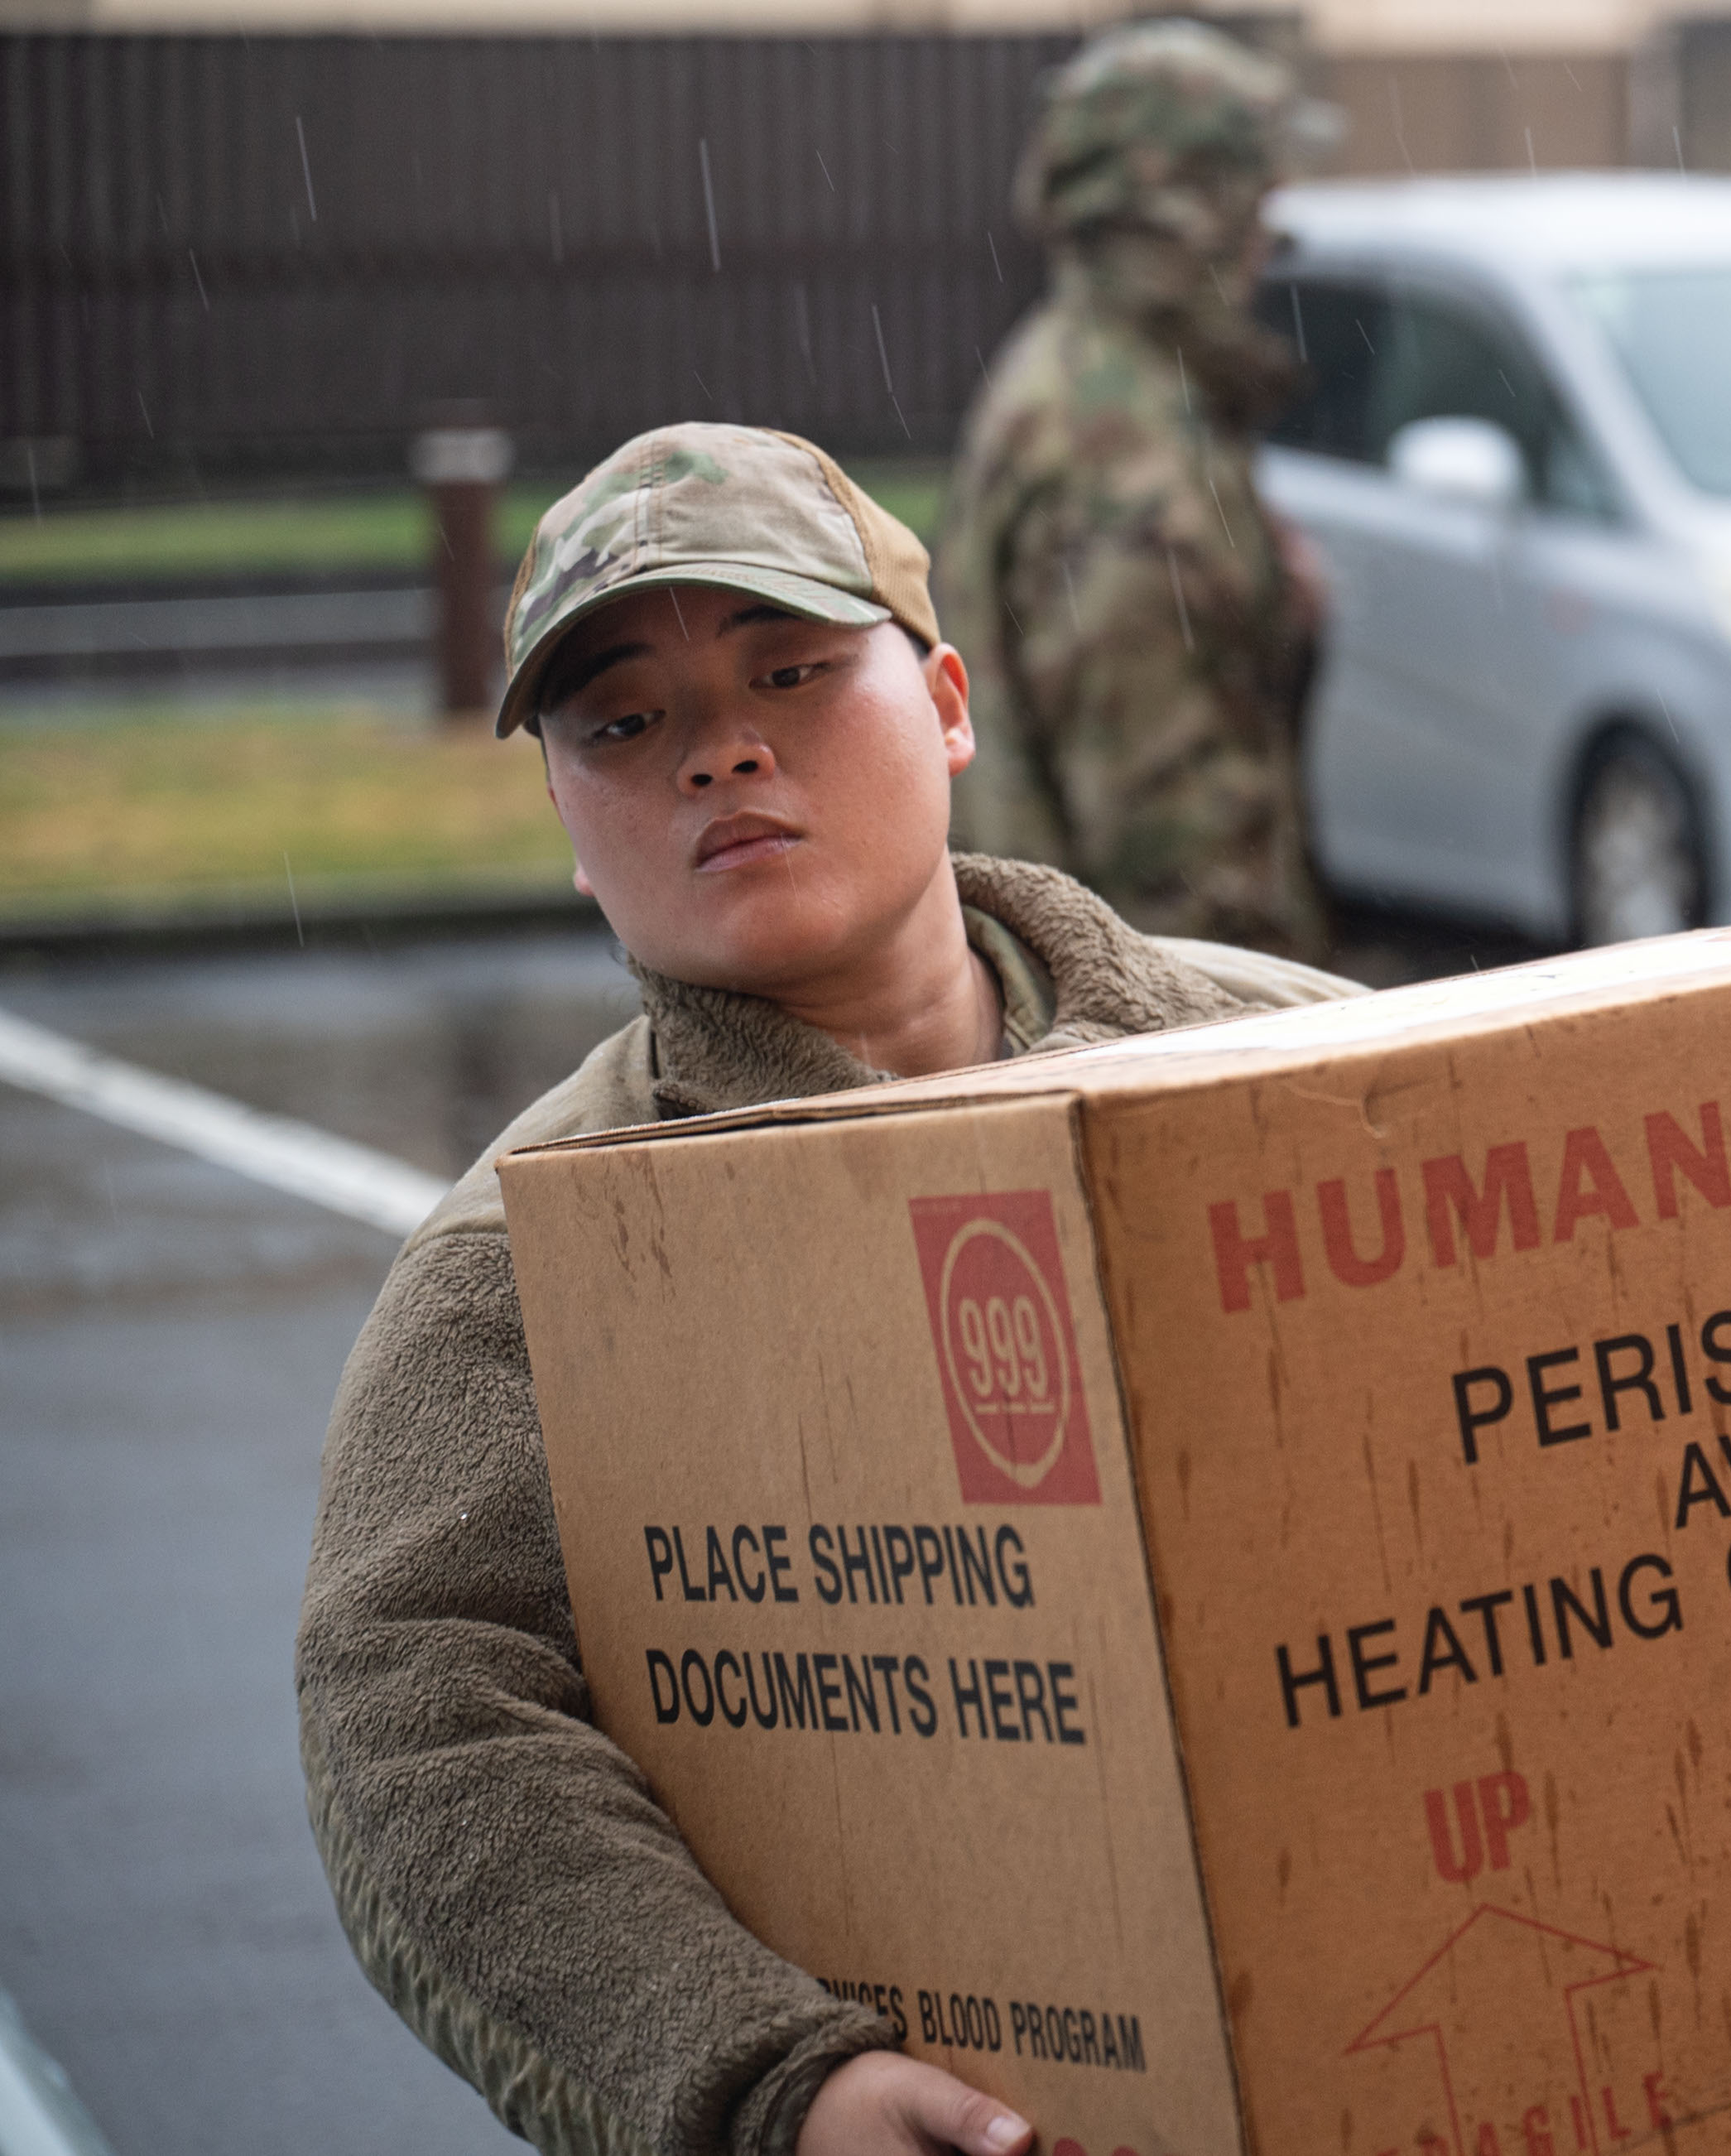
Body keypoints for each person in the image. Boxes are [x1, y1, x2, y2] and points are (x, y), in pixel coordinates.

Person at [295, 423, 1356, 2156]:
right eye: (622, 724)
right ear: (566, 818)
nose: (719, 750)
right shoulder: (530, 1268)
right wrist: (774, 2088)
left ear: (945, 703)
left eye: (789, 669)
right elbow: (423, 1726)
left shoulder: (1303, 1063)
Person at [940, 18, 1329, 960]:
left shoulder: (1071, 375)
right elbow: (1182, 871)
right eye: (1255, 199)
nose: (1269, 242)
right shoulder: (1125, 453)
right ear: (1191, 207)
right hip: (1164, 1041)